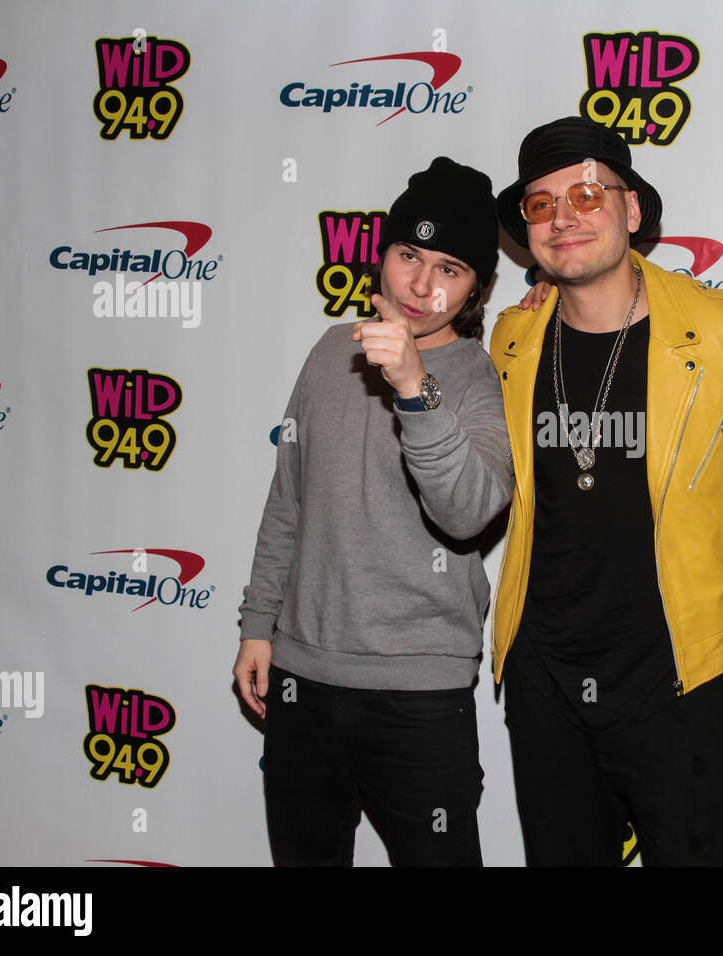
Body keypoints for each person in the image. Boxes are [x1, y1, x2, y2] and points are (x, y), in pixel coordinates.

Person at [489, 116, 723, 866]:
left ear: (633, 210)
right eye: (541, 204)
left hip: (675, 672)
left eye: (587, 193)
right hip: (545, 677)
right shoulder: (510, 341)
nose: (564, 217)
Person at [234, 156, 513, 866]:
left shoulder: (480, 379)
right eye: (408, 255)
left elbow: (468, 512)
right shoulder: (332, 350)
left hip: (417, 697)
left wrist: (416, 392)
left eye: (449, 268)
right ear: (381, 255)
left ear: (476, 286)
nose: (421, 285)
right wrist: (258, 626)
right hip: (301, 678)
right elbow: (288, 501)